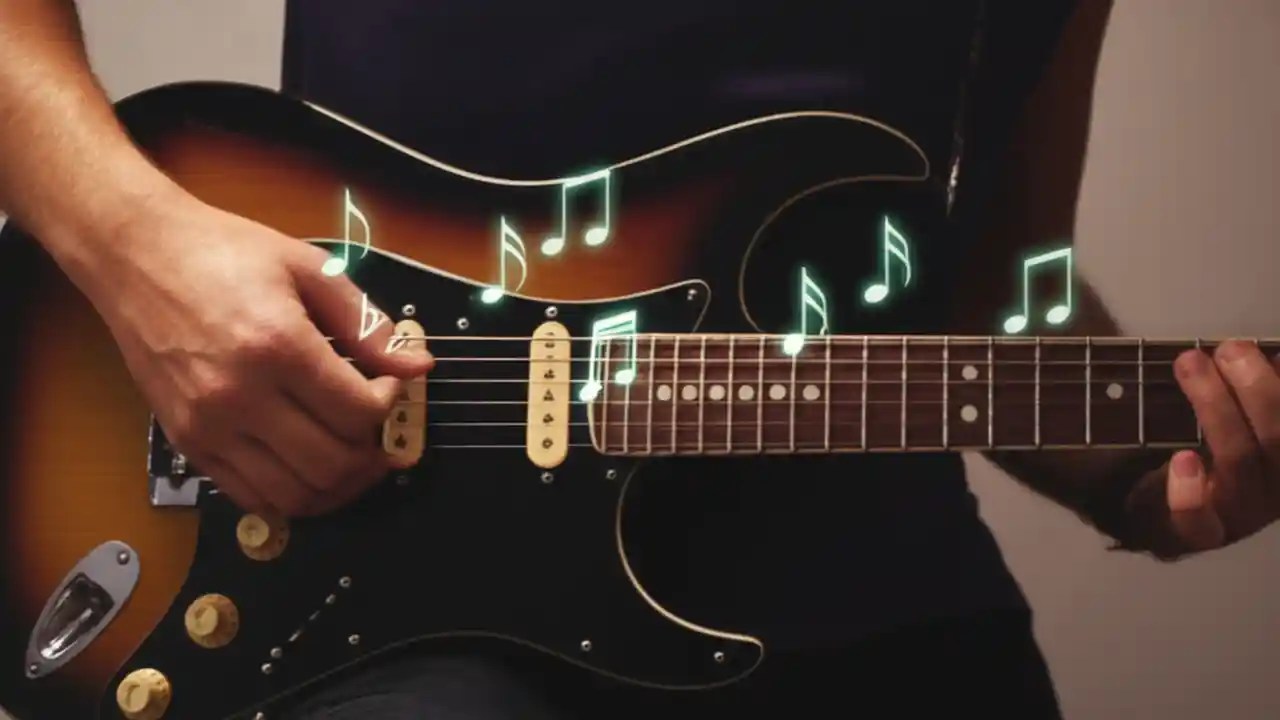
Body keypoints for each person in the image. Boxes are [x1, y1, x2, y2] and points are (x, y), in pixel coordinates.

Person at [2, 0, 1278, 718]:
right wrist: (135, 245)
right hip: (382, 591)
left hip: (886, 613)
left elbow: (996, 281)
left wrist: (1139, 468)